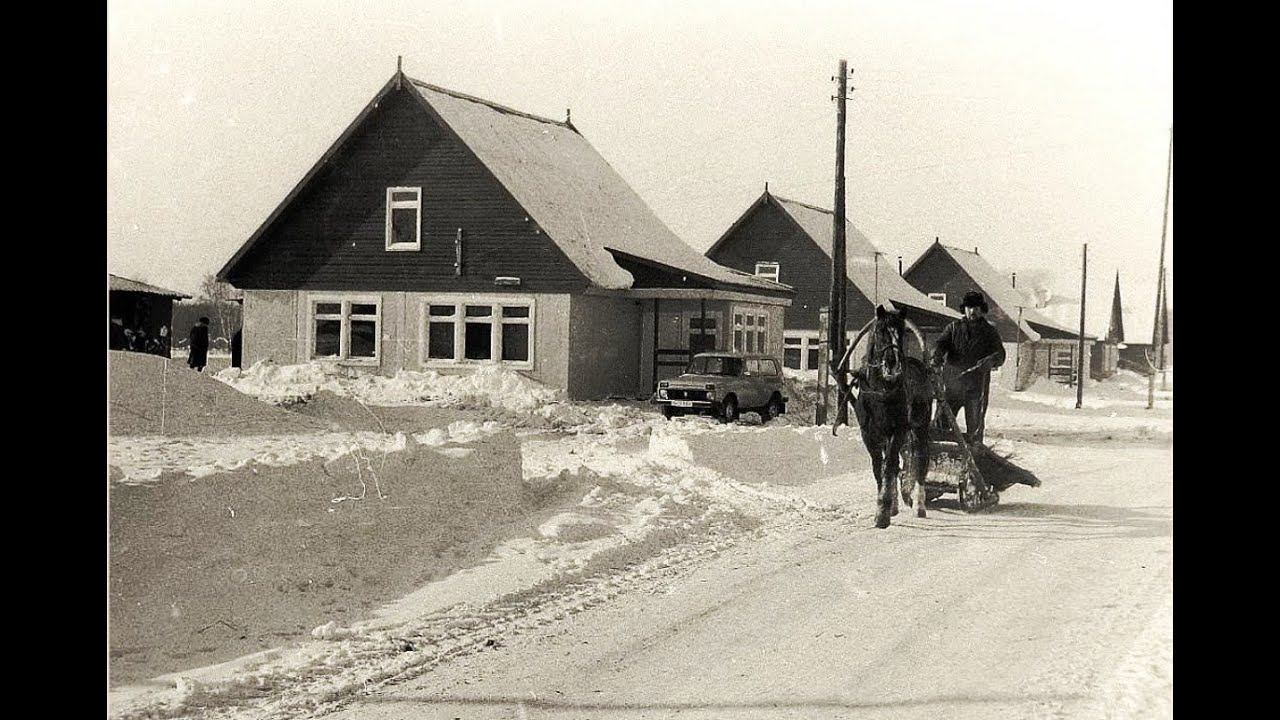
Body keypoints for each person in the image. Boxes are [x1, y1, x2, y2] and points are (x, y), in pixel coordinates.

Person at [931, 291, 1005, 444]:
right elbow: (940, 344)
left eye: (976, 308)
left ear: (981, 310)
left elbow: (1000, 354)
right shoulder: (953, 328)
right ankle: (939, 456)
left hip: (976, 389)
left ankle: (974, 458)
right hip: (952, 387)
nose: (972, 311)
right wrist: (936, 354)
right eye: (969, 308)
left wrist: (991, 361)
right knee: (940, 425)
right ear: (964, 309)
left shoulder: (990, 332)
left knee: (975, 430)